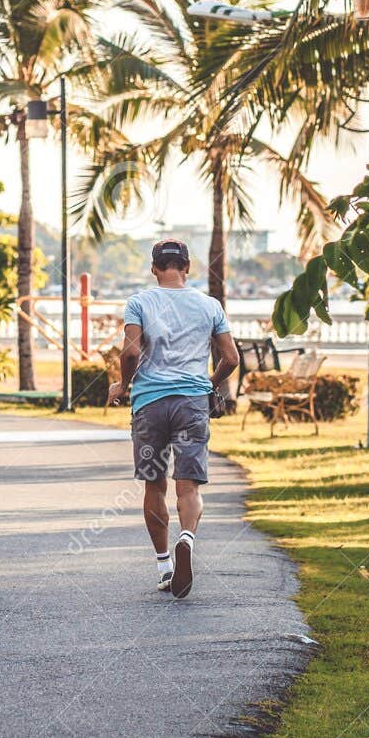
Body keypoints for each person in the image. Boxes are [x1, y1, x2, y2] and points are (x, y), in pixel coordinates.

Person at [108, 239, 239, 599]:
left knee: (154, 485)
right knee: (189, 486)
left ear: (154, 268)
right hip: (192, 403)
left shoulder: (140, 302)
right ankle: (187, 538)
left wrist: (123, 384)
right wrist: (208, 384)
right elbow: (231, 357)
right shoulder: (209, 305)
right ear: (187, 267)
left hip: (150, 403)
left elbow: (132, 352)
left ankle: (165, 564)